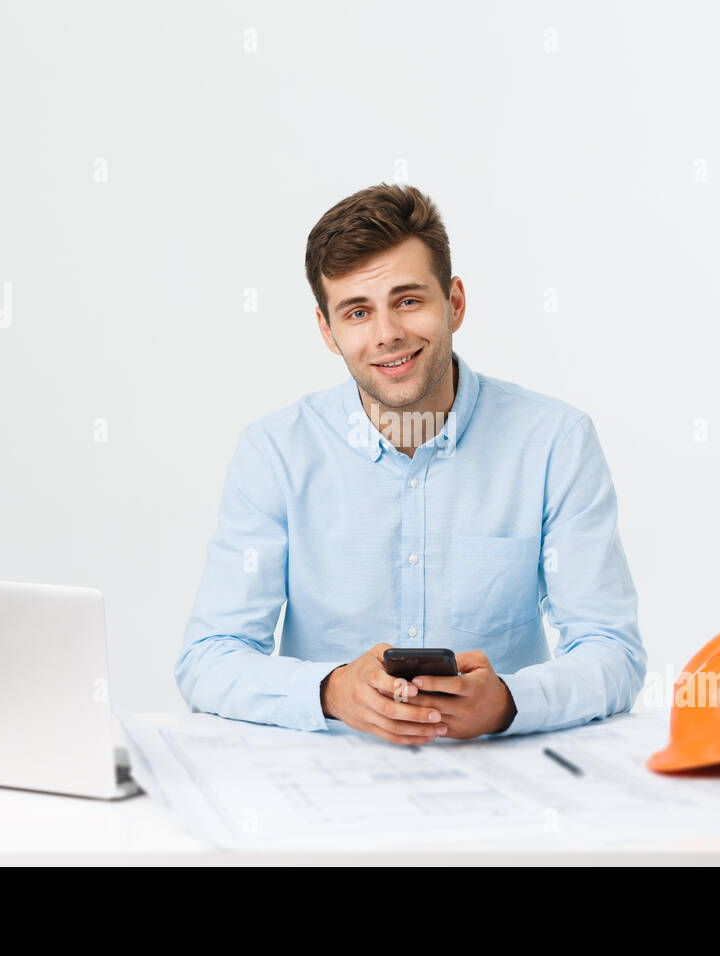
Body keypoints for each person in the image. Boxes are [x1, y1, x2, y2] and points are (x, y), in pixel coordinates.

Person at [174, 183, 646, 745]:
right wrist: (331, 690)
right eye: (357, 312)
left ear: (455, 303)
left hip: (502, 775)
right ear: (328, 332)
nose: (387, 334)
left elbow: (612, 651)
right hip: (326, 782)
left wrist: (511, 702)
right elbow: (209, 658)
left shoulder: (554, 442)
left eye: (408, 300)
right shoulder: (274, 452)